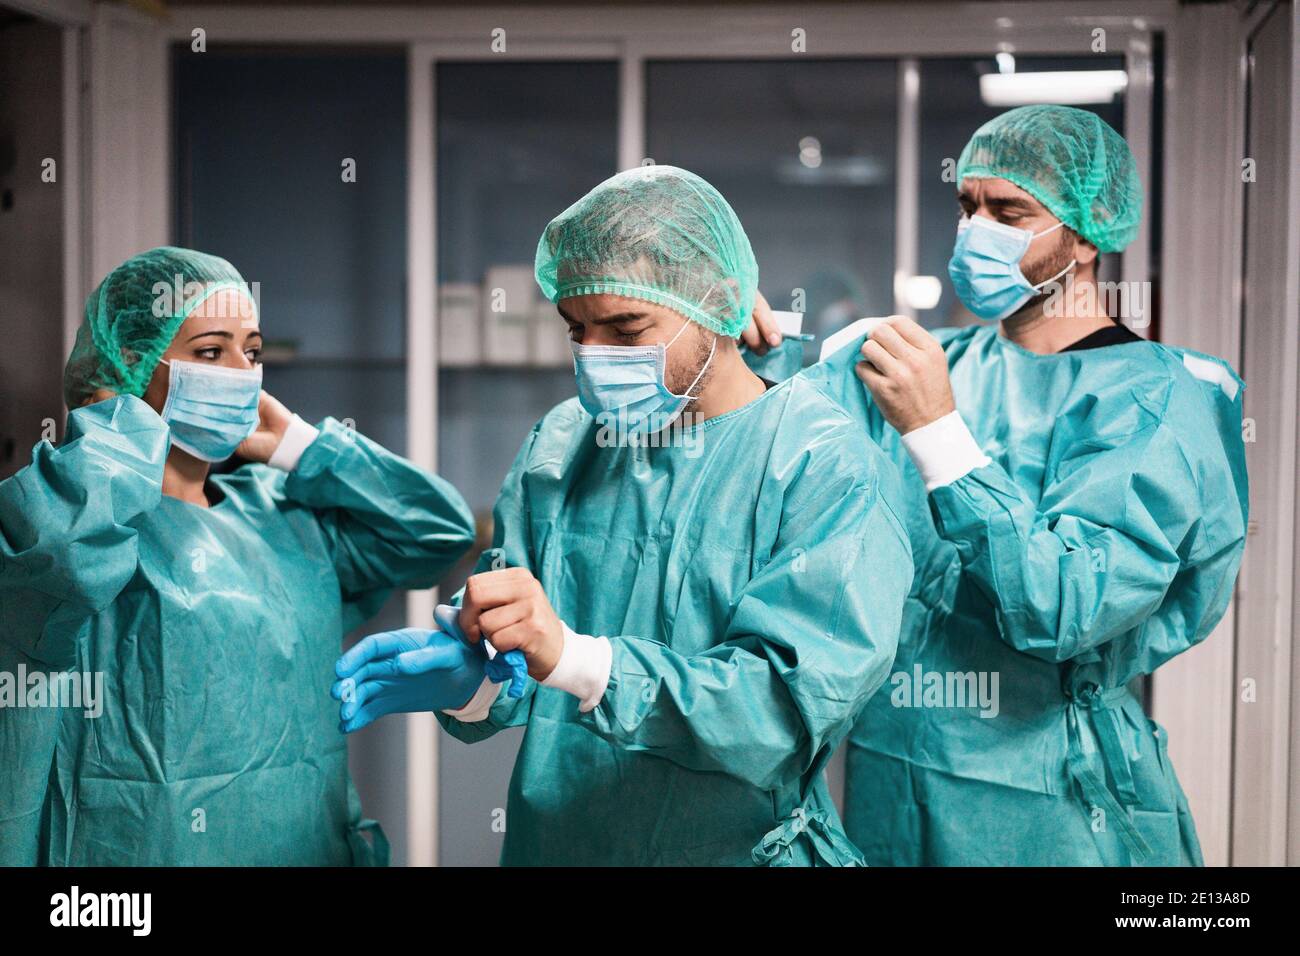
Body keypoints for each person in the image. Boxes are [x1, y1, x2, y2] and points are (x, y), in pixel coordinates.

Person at [333, 166, 913, 866]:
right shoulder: (562, 447)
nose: (595, 358)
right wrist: (477, 682)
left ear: (721, 305)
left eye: (627, 327)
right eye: (577, 330)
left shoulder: (822, 462)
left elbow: (782, 712)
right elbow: (522, 674)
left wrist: (577, 658)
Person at [748, 105, 1247, 865]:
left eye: (1008, 212)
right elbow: (757, 464)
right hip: (895, 773)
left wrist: (938, 433)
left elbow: (1063, 606)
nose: (975, 231)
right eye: (967, 207)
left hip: (1048, 798)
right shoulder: (933, 361)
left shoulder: (1161, 400)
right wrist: (734, 349)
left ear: (1085, 235)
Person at [0, 246, 476, 865]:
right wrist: (118, 435)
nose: (240, 373)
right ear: (131, 368)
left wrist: (303, 449)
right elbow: (55, 566)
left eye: (251, 352)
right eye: (208, 352)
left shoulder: (285, 515)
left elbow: (437, 533)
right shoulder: (90, 524)